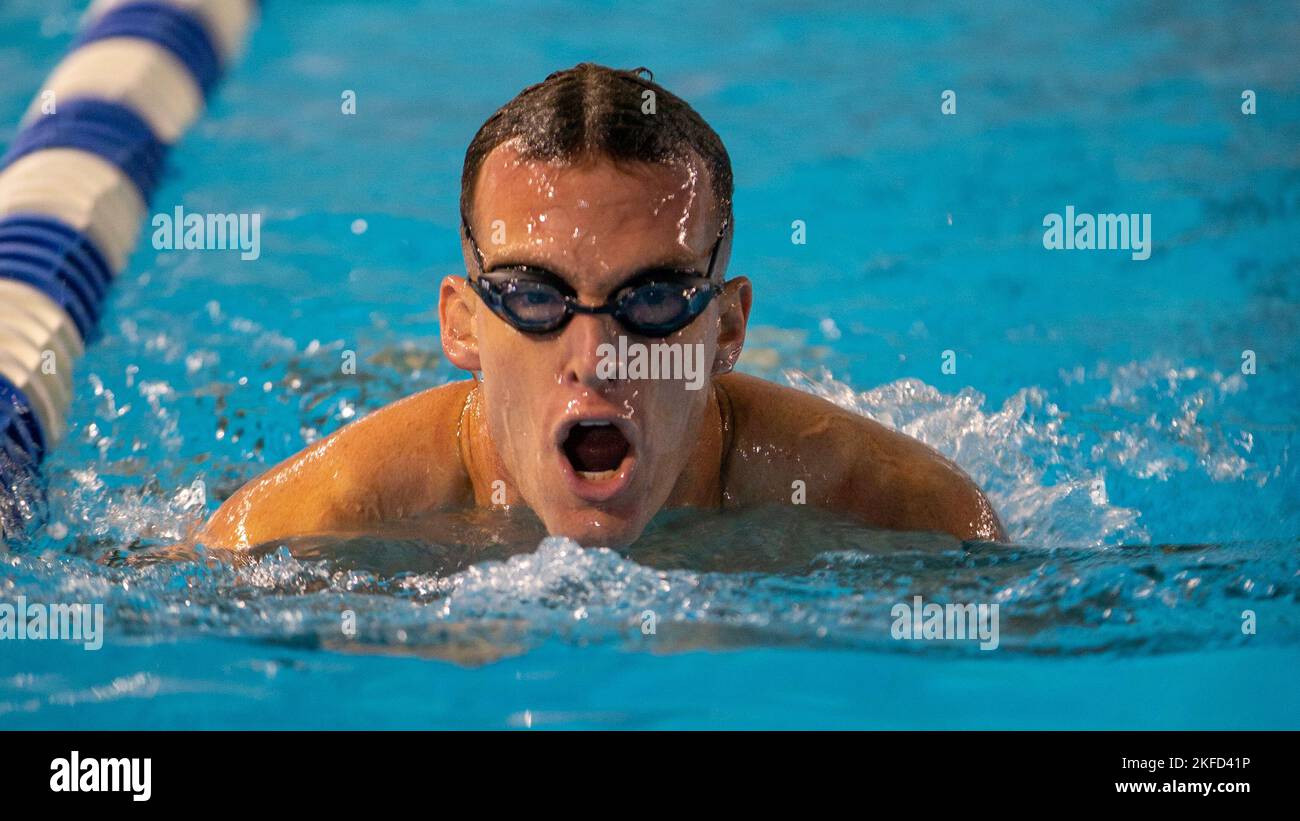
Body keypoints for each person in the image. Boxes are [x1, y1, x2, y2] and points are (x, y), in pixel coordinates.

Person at [199, 63, 1005, 552]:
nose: (595, 356)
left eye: (652, 297)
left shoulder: (906, 508)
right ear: (462, 324)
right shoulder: (320, 518)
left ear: (727, 327)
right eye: (532, 296)